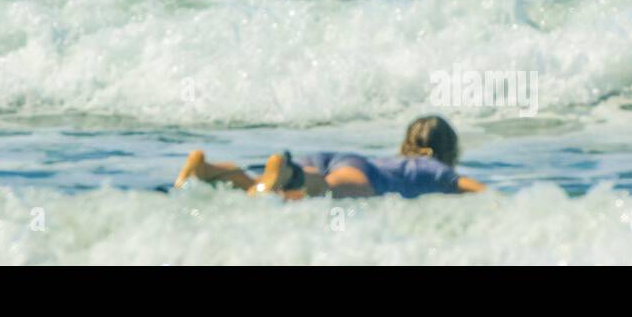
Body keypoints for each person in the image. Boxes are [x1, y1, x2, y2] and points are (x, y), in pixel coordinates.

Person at [174, 115, 486, 199]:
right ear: (449, 151)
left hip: (332, 157)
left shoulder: (400, 160)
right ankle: (290, 172)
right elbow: (477, 190)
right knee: (324, 188)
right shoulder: (431, 167)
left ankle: (208, 168)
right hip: (362, 173)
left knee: (261, 186)